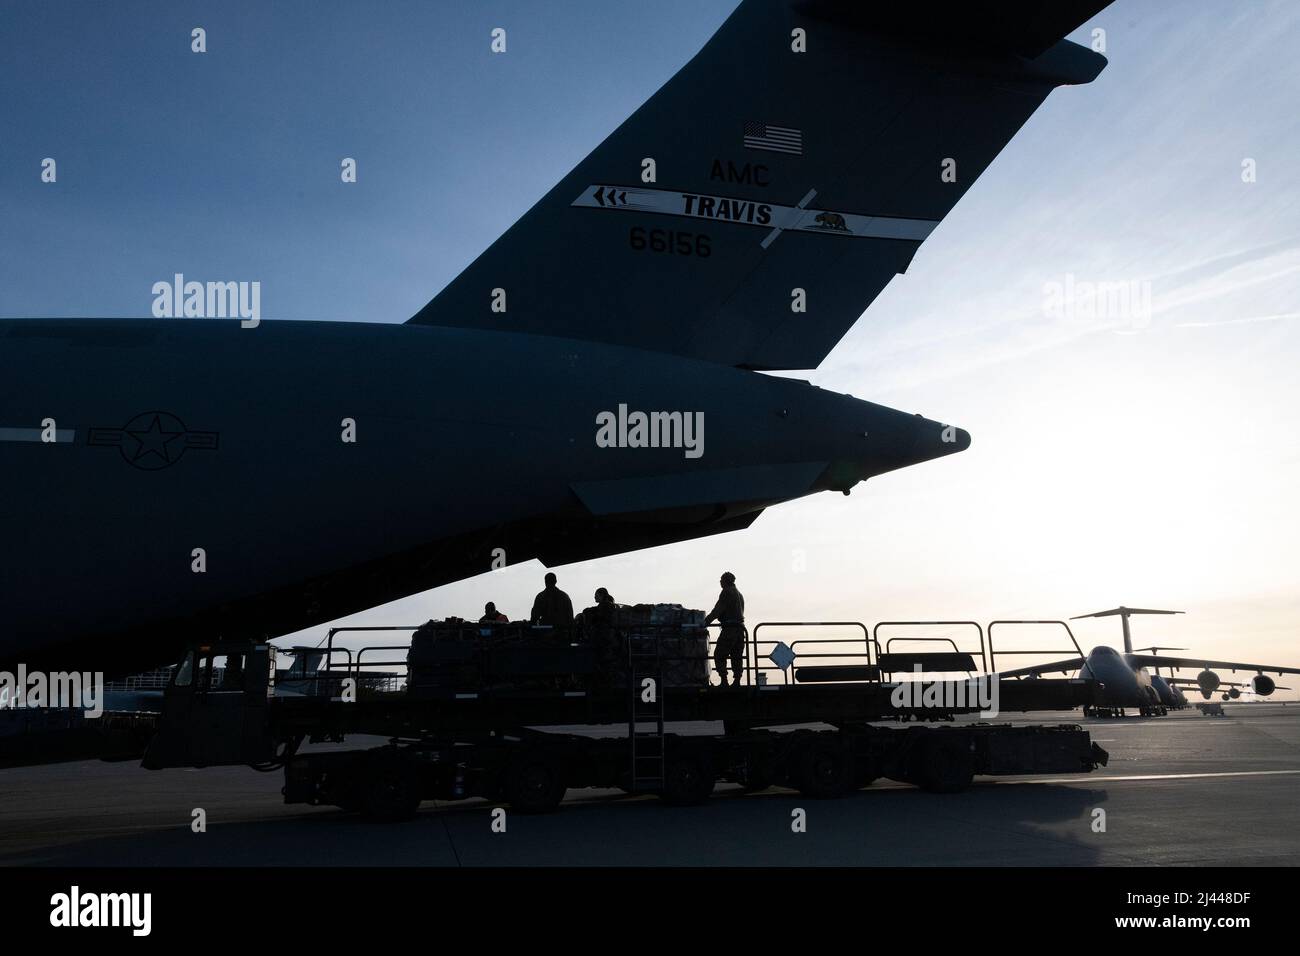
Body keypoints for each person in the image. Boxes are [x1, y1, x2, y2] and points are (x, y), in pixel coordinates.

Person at [704, 571, 745, 687]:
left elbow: (717, 610)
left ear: (725, 581)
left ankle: (724, 680)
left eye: (721, 580)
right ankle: (737, 680)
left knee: (719, 654)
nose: (720, 583)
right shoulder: (739, 594)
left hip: (730, 629)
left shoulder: (727, 592)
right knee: (737, 655)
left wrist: (705, 622)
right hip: (740, 629)